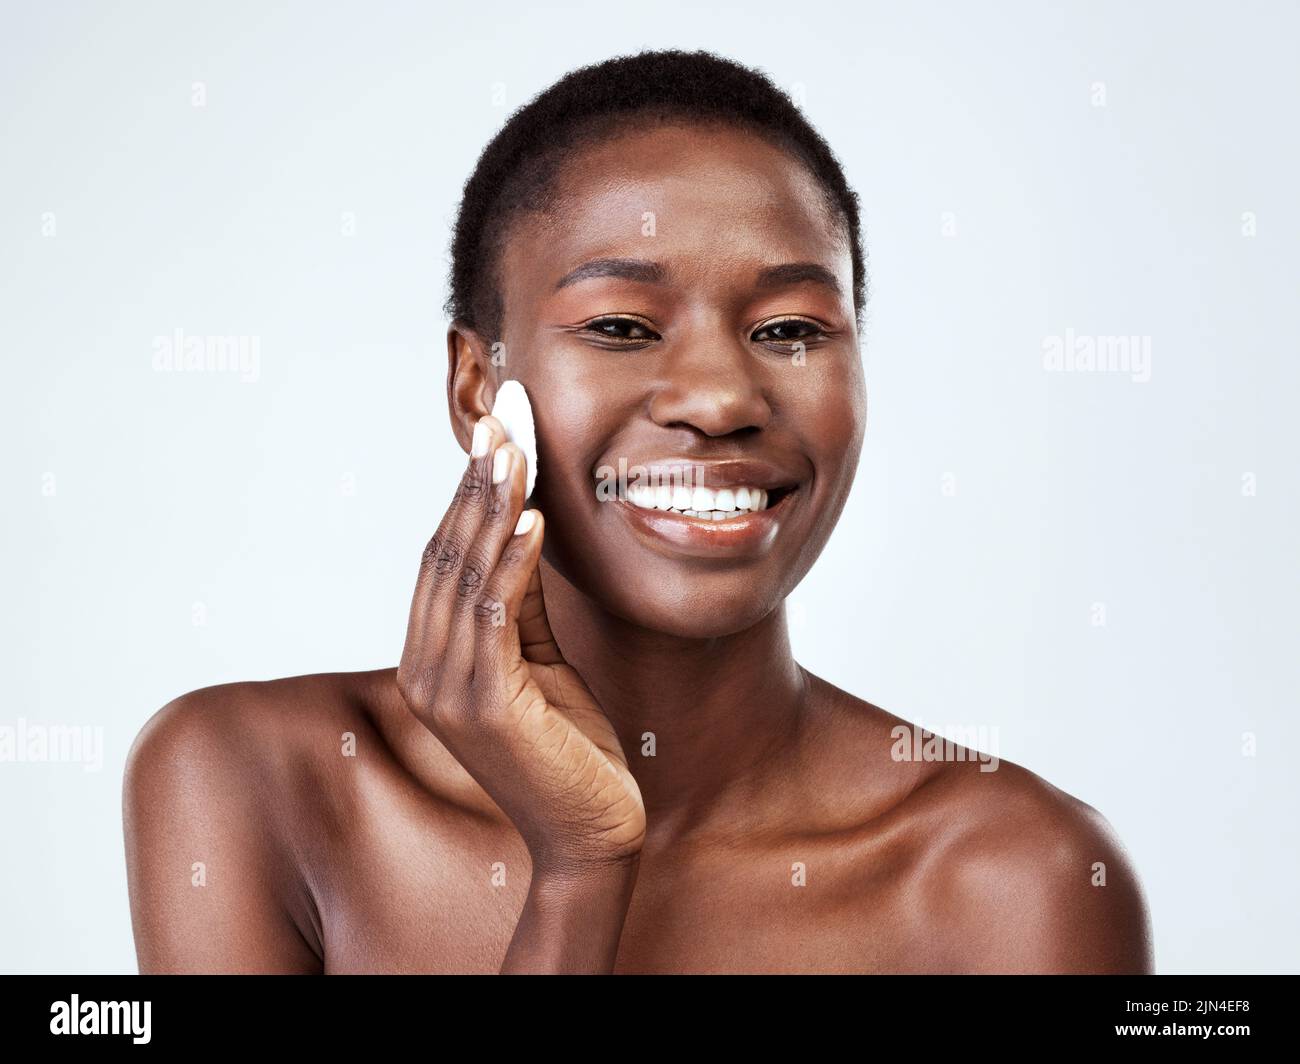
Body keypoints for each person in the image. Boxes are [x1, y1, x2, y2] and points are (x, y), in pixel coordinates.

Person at [123, 48, 1154, 974]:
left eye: (791, 327)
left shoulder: (1019, 878)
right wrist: (579, 868)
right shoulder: (252, 783)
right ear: (477, 388)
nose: (717, 399)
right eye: (621, 324)